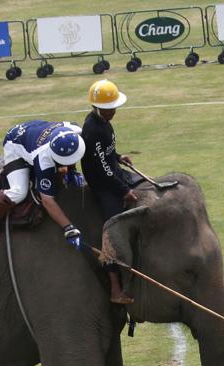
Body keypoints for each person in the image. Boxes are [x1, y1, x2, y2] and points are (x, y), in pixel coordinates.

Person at [0, 120, 86, 254]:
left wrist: (71, 170)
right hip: (15, 143)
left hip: (34, 130)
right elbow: (47, 201)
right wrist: (68, 228)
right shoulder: (43, 160)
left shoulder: (75, 130)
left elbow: (72, 152)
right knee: (18, 192)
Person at [81, 79, 138, 305]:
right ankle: (115, 288)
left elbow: (106, 155)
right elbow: (103, 170)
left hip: (112, 174)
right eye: (110, 107)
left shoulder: (104, 122)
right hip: (104, 185)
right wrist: (123, 191)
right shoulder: (93, 129)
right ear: (99, 108)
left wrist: (118, 156)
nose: (114, 110)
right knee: (112, 231)